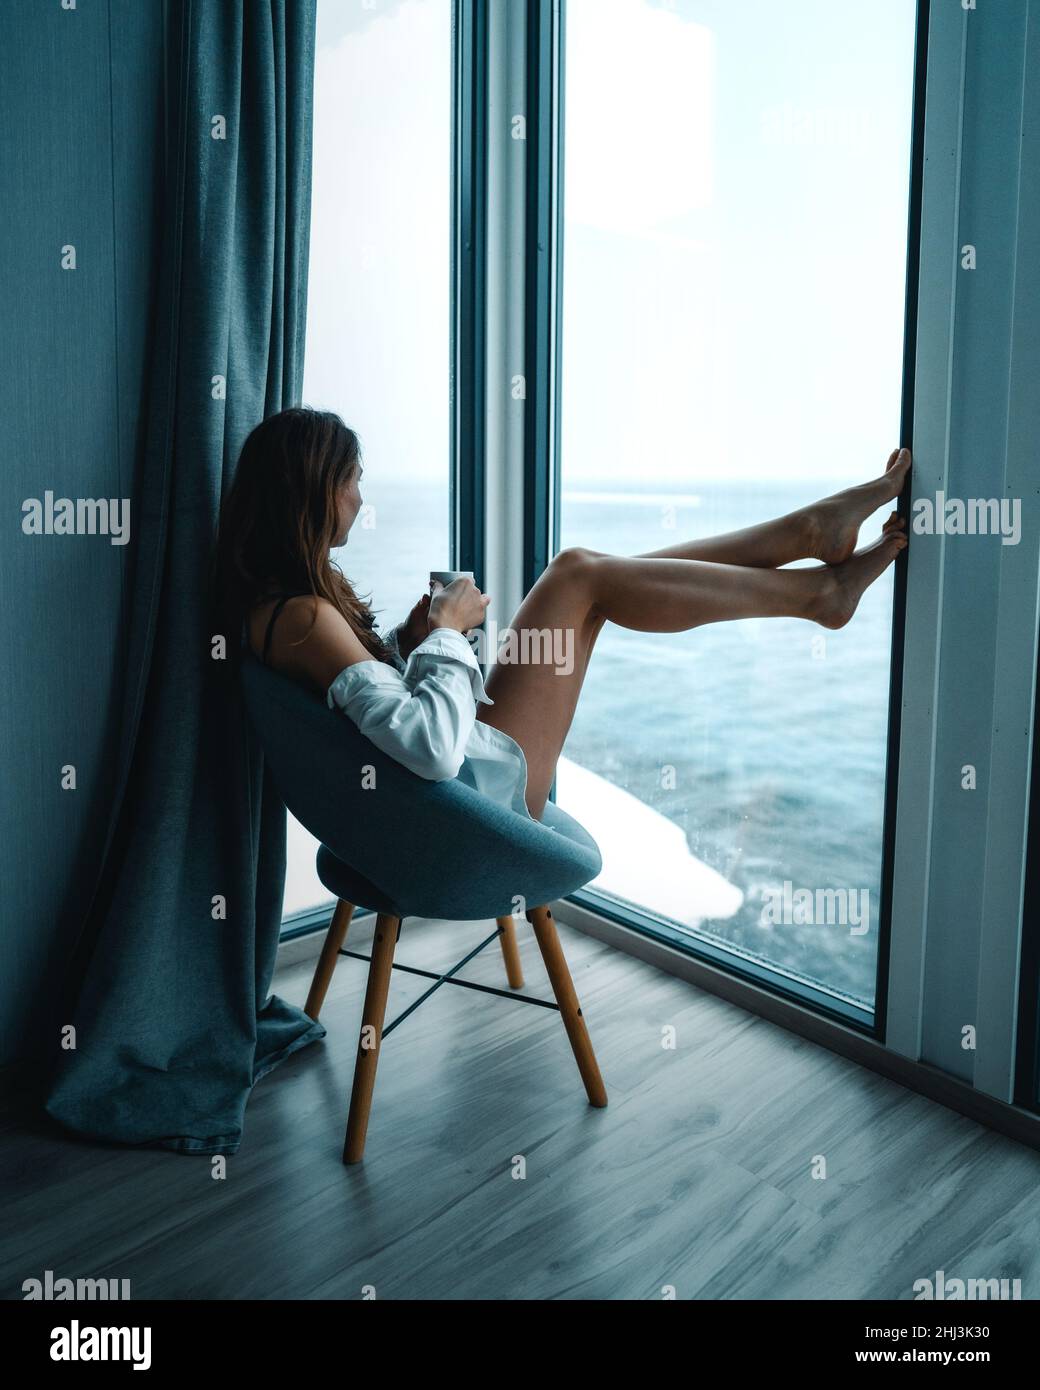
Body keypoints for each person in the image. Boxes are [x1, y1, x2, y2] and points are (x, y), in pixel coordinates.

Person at [214, 407, 910, 823]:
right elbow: (427, 749)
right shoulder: (304, 616)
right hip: (479, 794)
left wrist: (410, 637)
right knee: (583, 575)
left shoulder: (286, 606)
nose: (361, 500)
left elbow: (366, 705)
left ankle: (808, 545)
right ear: (309, 495)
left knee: (593, 579)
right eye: (350, 482)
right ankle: (817, 582)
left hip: (460, 782)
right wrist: (451, 636)